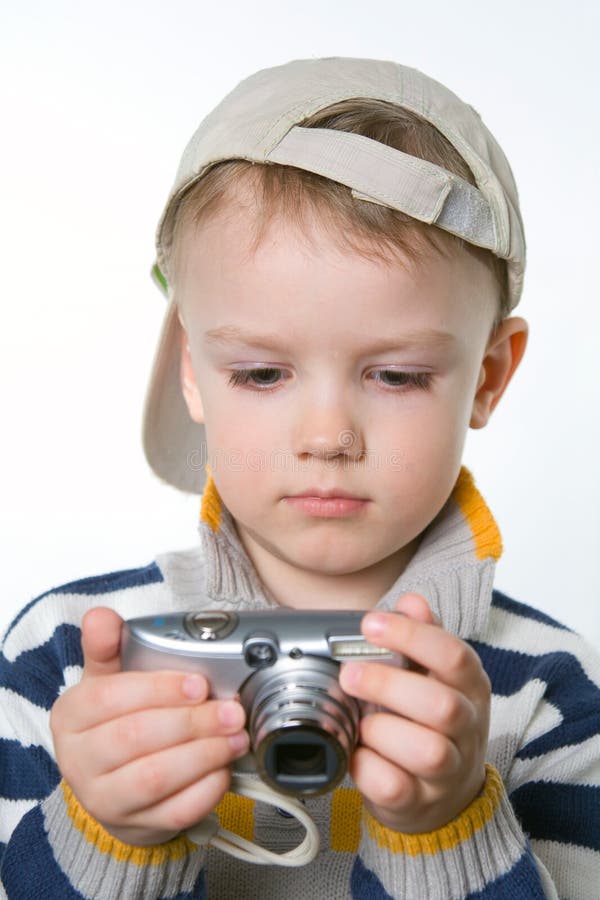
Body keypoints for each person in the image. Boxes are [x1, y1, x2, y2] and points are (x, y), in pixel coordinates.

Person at [1, 57, 598, 900]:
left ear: (491, 376)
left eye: (396, 376)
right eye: (261, 374)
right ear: (192, 372)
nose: (326, 437)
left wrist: (450, 829)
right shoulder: (67, 661)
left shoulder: (551, 695)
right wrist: (108, 836)